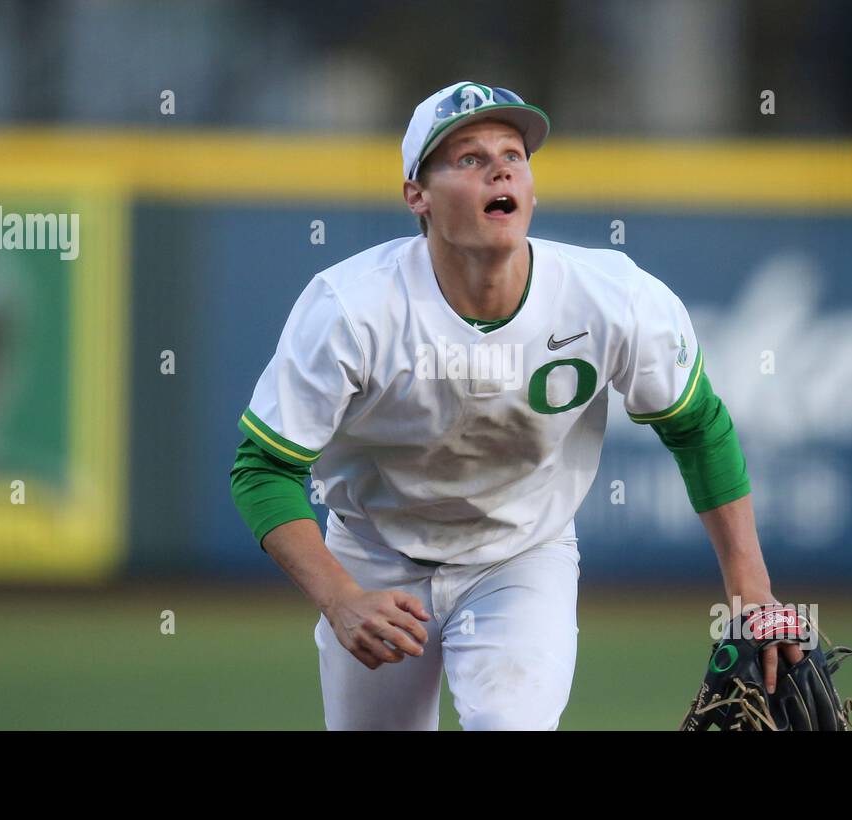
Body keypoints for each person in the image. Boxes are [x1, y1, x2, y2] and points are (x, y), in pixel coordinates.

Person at [230, 80, 801, 730]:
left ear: (529, 186)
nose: (501, 166)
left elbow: (697, 426)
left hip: (519, 556)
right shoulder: (349, 309)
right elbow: (262, 470)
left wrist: (749, 589)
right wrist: (340, 597)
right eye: (468, 158)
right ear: (416, 195)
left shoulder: (612, 299)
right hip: (373, 554)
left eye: (514, 154)